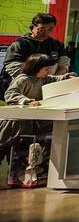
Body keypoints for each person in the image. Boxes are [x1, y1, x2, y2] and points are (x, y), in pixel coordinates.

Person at [0, 54, 58, 186]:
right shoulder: (22, 79)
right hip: (12, 124)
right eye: (45, 68)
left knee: (17, 153)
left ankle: (16, 178)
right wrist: (25, 100)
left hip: (26, 125)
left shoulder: (43, 79)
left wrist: (67, 76)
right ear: (36, 68)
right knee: (3, 148)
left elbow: (55, 79)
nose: (48, 71)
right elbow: (10, 94)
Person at [3, 13, 72, 86]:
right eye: (41, 30)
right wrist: (35, 82)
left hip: (50, 86)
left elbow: (64, 66)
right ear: (31, 27)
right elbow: (13, 68)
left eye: (50, 30)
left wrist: (52, 80)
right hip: (25, 86)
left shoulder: (58, 45)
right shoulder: (20, 45)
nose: (45, 33)